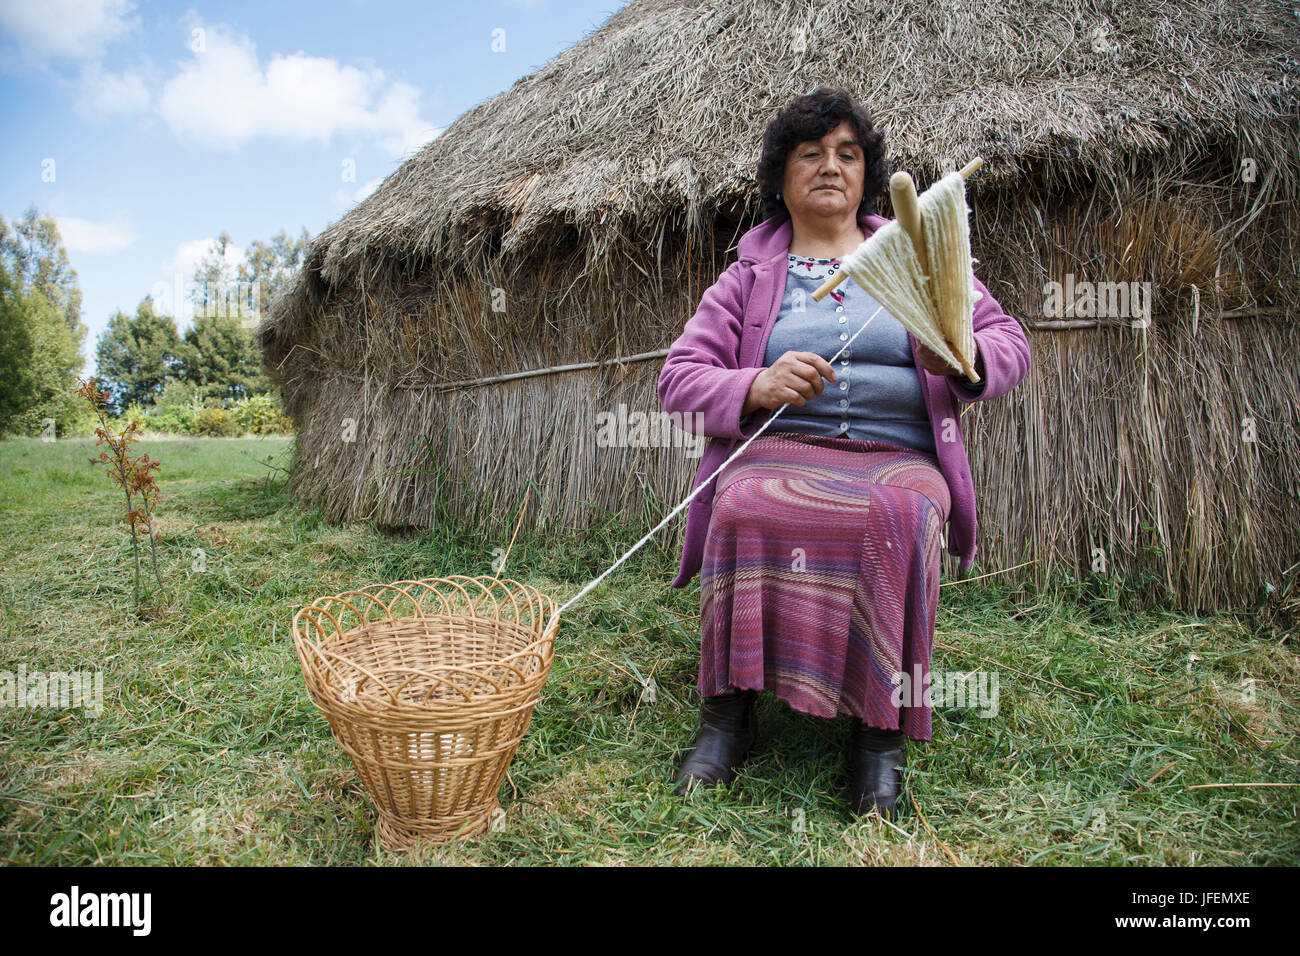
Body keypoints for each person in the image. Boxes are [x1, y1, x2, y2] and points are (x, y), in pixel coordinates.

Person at [656, 86, 1031, 820]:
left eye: (848, 154)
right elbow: (679, 379)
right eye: (811, 153)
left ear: (866, 173)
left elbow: (1010, 341)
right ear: (781, 177)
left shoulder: (918, 256)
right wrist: (756, 383)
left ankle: (877, 736)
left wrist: (962, 351)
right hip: (780, 453)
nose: (832, 165)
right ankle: (728, 715)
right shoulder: (749, 277)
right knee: (742, 501)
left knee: (900, 511)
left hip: (897, 457)